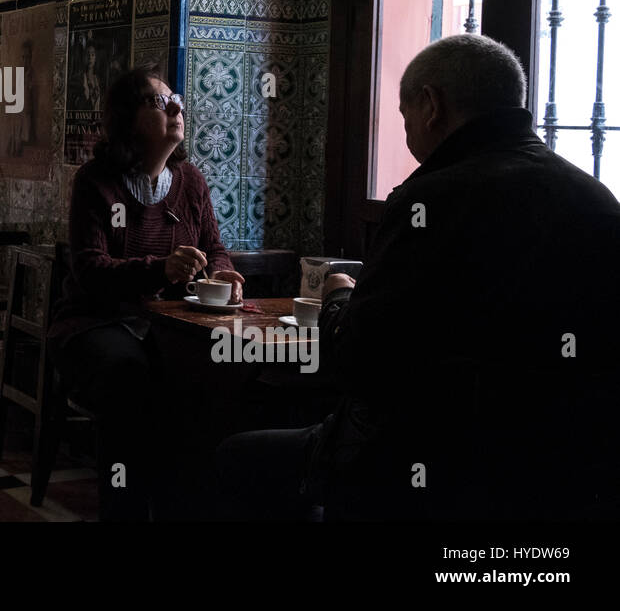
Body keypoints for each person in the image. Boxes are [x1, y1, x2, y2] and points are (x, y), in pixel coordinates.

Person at [216, 34, 620, 520]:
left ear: (431, 105)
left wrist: (339, 298)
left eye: (405, 118)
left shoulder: (433, 198)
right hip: (566, 466)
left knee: (239, 458)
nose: (407, 136)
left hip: (428, 455)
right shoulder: (596, 197)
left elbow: (360, 362)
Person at [50, 65, 245, 521]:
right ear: (127, 119)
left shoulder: (191, 182)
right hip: (92, 323)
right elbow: (91, 269)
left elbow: (214, 247)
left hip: (165, 324)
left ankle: (183, 506)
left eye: (175, 98)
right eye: (159, 102)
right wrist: (161, 268)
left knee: (209, 378)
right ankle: (126, 511)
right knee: (130, 376)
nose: (176, 107)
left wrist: (224, 273)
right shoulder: (96, 182)